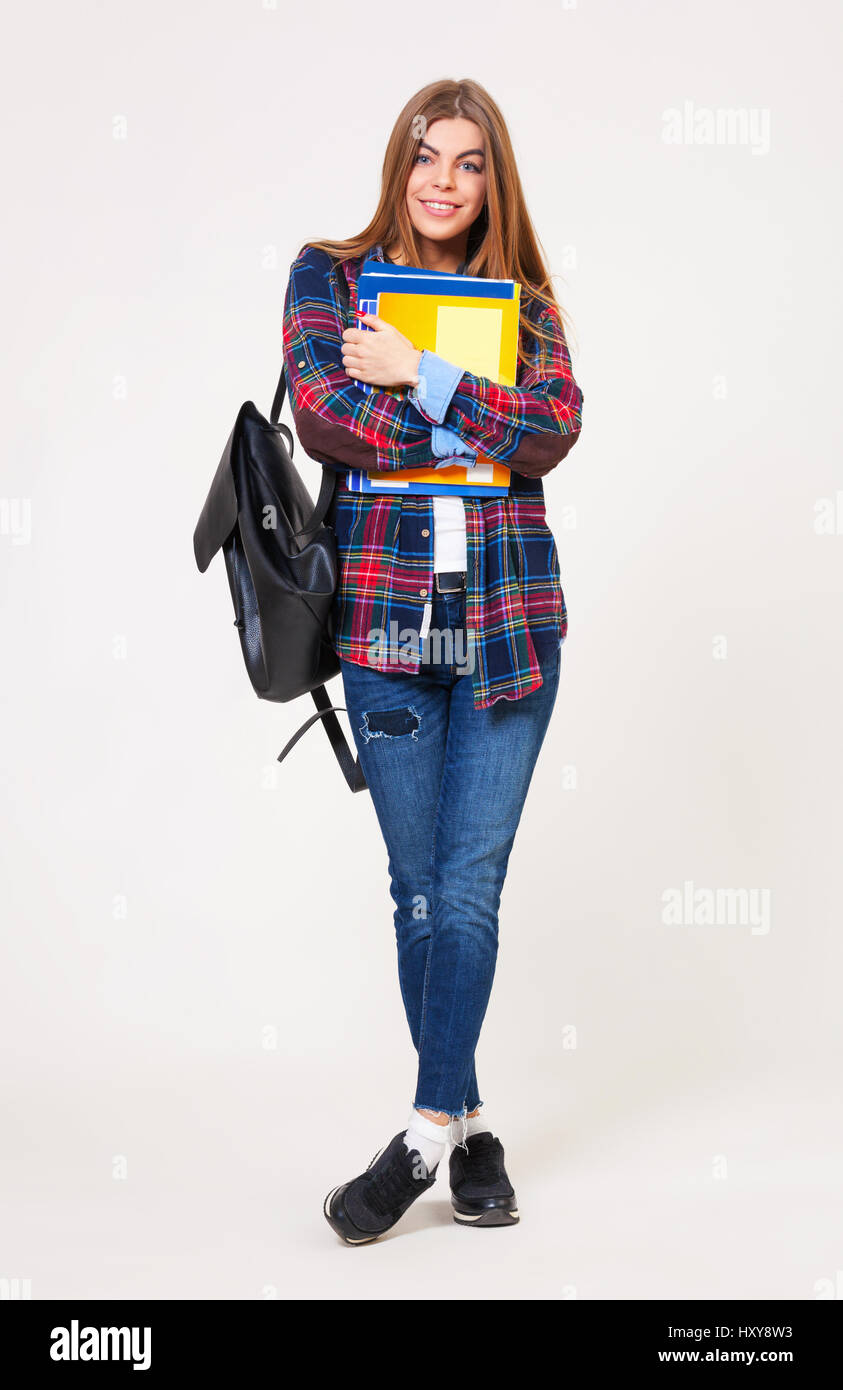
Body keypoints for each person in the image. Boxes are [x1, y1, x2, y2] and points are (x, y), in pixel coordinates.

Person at [282, 77, 584, 1245]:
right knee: (418, 898)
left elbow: (553, 429)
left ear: (492, 179)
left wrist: (422, 373)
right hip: (389, 630)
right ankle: (471, 1129)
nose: (444, 181)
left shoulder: (529, 302)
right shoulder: (330, 273)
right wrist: (475, 423)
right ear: (398, 165)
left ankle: (418, 1140)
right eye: (427, 157)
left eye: (468, 162)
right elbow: (326, 415)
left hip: (509, 626)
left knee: (466, 891)